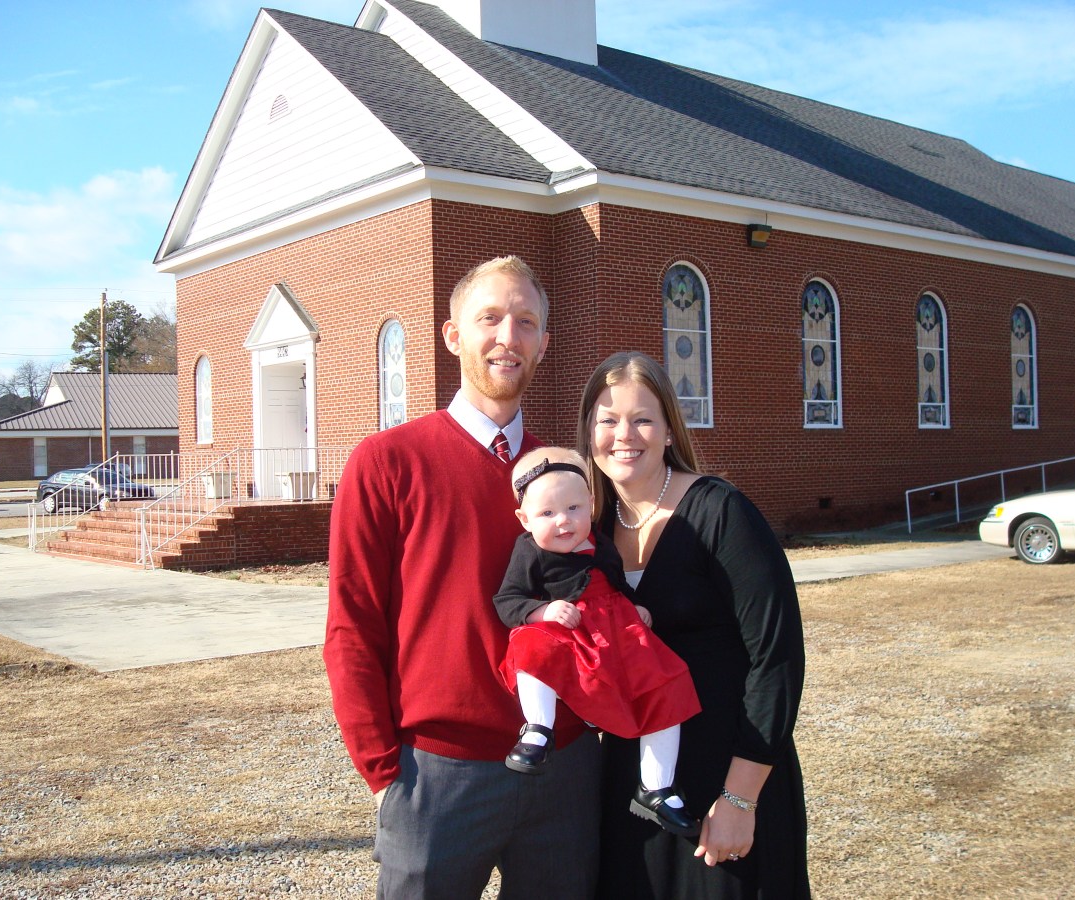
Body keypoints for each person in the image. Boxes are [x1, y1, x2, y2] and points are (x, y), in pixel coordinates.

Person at [323, 256, 601, 899]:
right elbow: (352, 622)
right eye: (490, 318)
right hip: (440, 773)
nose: (509, 336)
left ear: (544, 344)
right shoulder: (387, 461)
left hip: (564, 767)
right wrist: (385, 769)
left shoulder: (565, 474)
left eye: (526, 321)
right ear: (454, 336)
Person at [577, 351, 810, 899]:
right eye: (607, 420)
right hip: (632, 783)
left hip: (723, 773)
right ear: (589, 431)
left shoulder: (720, 511)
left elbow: (776, 658)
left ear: (667, 430)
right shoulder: (591, 530)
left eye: (642, 419)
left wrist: (740, 798)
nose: (623, 435)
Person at [493, 447, 702, 837]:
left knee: (666, 682)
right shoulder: (530, 551)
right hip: (571, 633)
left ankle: (656, 786)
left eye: (574, 508)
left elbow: (617, 581)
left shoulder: (602, 543)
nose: (563, 522)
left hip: (618, 633)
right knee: (529, 644)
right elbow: (507, 601)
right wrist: (542, 612)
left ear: (591, 503)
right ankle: (538, 729)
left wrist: (634, 605)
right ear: (524, 520)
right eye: (547, 514)